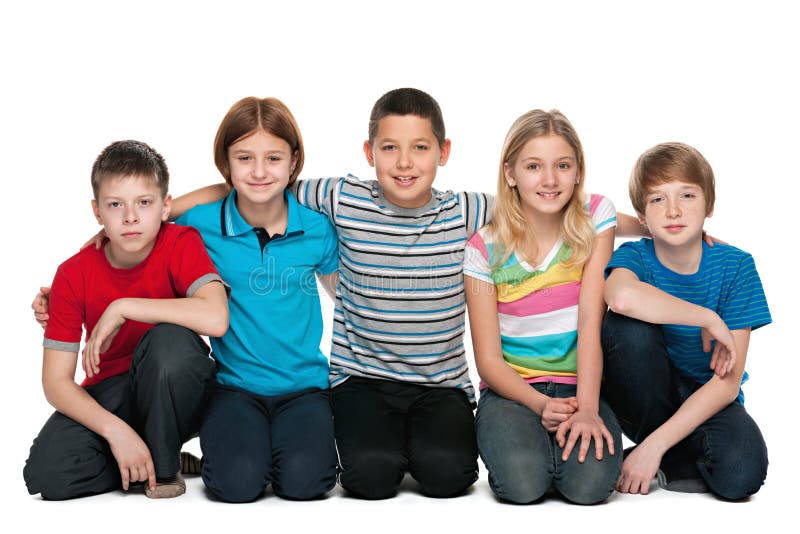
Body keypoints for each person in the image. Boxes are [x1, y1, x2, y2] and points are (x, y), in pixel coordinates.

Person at [23, 140, 229, 500]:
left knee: (167, 342)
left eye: (144, 203)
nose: (130, 217)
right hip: (115, 392)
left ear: (165, 206)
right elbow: (55, 381)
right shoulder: (73, 273)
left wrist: (124, 306)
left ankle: (163, 471)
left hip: (179, 384)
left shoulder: (180, 242)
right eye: (115, 205)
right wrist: (115, 432)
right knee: (46, 473)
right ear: (97, 211)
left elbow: (215, 318)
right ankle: (151, 452)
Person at [175, 97, 340, 502]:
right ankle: (225, 451)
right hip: (234, 387)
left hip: (305, 387)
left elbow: (347, 298)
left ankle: (285, 449)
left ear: (293, 161)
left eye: (273, 158)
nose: (260, 171)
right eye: (245, 158)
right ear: (226, 163)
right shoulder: (200, 223)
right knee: (235, 484)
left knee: (306, 483)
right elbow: (139, 227)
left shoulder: (316, 228)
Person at [463, 109, 621, 504]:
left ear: (578, 171)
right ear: (510, 173)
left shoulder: (595, 218)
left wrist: (587, 409)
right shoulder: (484, 248)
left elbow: (590, 321)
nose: (550, 180)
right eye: (533, 166)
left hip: (582, 385)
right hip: (513, 391)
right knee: (523, 484)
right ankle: (537, 454)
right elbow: (489, 361)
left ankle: (560, 456)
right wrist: (540, 404)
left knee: (588, 488)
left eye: (562, 166)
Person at [601, 142, 770, 499]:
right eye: (657, 199)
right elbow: (621, 297)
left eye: (688, 195)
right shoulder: (635, 256)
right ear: (641, 215)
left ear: (709, 205)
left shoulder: (737, 266)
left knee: (742, 473)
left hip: (708, 396)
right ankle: (675, 455)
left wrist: (654, 445)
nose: (673, 210)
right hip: (643, 395)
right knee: (625, 324)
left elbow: (727, 383)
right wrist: (707, 318)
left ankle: (659, 455)